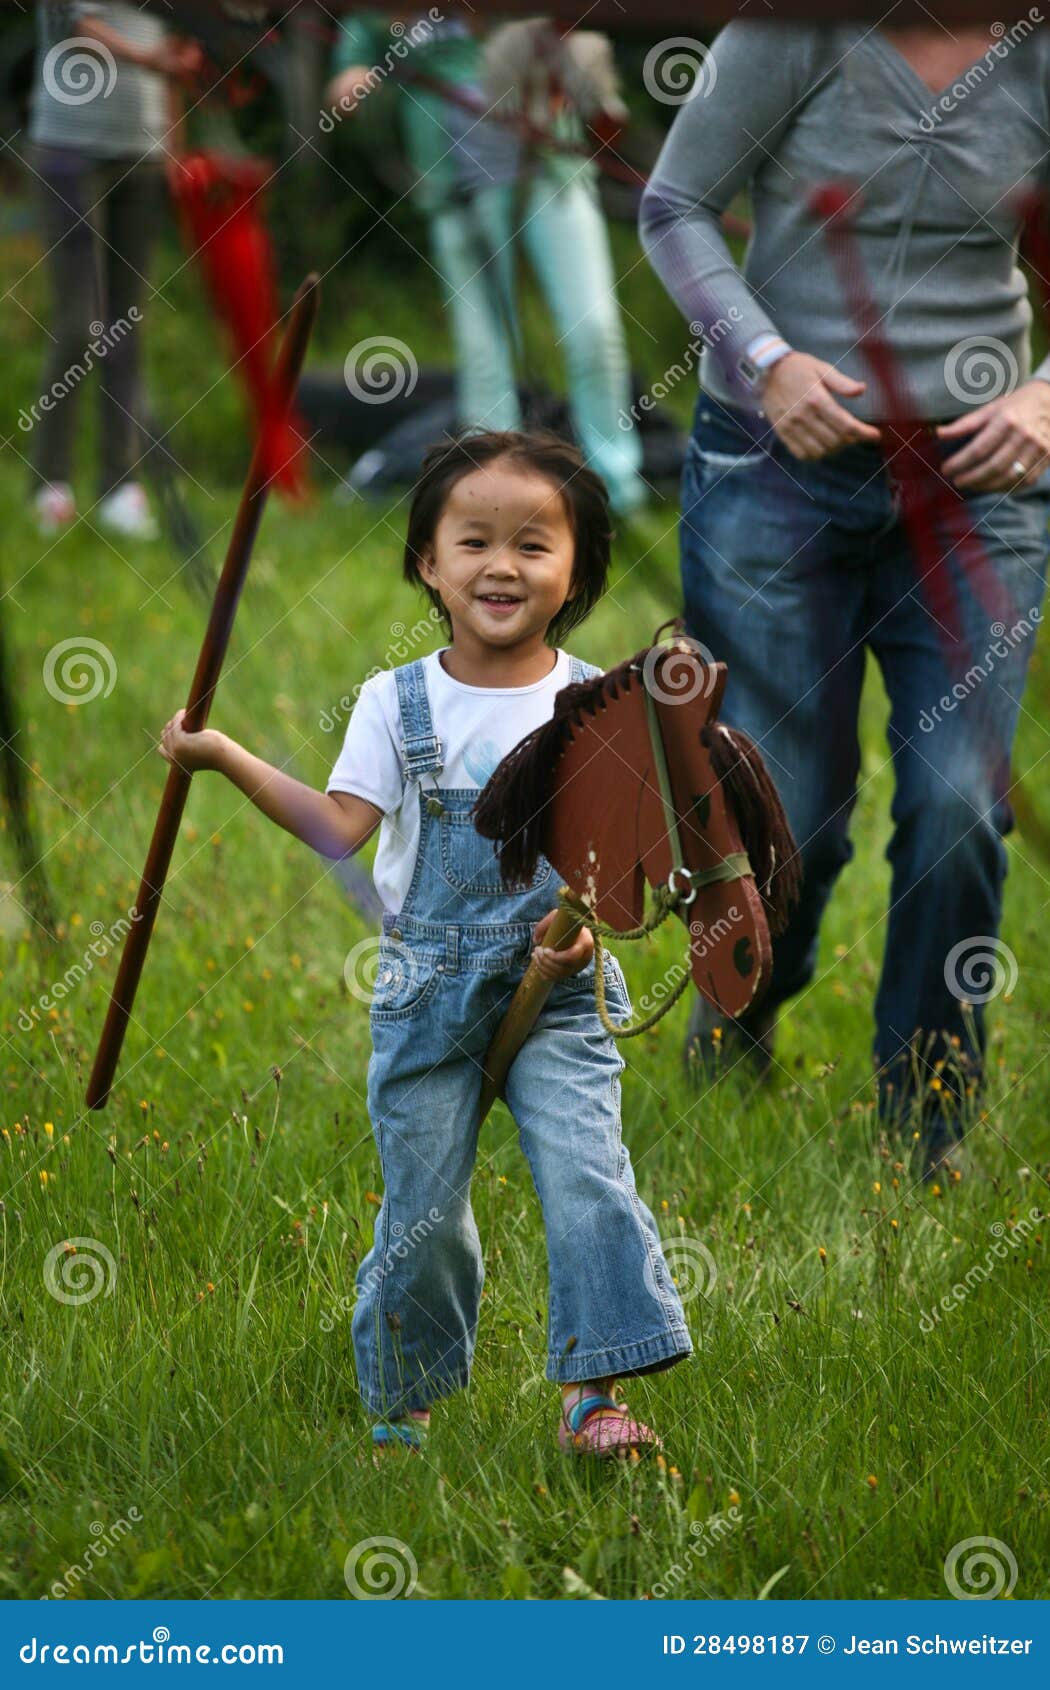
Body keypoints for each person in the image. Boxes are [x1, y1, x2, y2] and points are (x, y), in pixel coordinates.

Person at [158, 429, 691, 1456]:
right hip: (430, 988)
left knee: (588, 1175)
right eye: (474, 541)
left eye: (535, 544)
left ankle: (596, 1390)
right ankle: (405, 1395)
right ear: (426, 563)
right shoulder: (394, 702)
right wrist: (220, 754)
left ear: (576, 567)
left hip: (561, 990)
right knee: (424, 1208)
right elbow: (337, 828)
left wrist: (588, 933)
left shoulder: (598, 703)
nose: (502, 564)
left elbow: (625, 861)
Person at [639, 20, 1050, 1166]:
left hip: (977, 482)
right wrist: (765, 360)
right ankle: (742, 1014)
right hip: (773, 474)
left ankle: (928, 1118)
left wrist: (1048, 396)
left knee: (958, 807)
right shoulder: (790, 36)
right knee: (796, 807)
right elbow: (674, 208)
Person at [325, 9, 646, 516]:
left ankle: (614, 491)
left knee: (593, 331)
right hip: (457, 195)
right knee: (485, 351)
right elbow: (345, 85)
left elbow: (581, 59)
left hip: (548, 173)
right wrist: (360, 83)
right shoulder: (381, 14)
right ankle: (496, 497)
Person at [26, 2, 200, 538]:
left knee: (127, 327)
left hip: (141, 156)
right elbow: (73, 27)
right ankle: (48, 480)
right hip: (70, 153)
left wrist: (176, 148)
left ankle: (118, 486)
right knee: (82, 324)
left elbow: (174, 48)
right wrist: (149, 59)